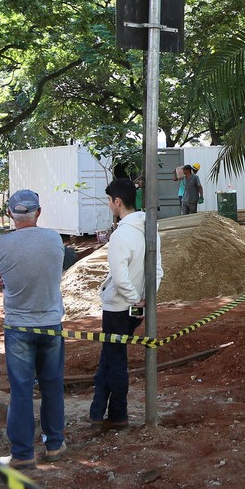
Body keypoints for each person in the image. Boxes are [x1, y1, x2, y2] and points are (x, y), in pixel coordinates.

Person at [0, 189, 68, 468]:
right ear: (39, 212)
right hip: (51, 324)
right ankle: (54, 445)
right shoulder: (55, 238)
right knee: (52, 385)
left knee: (21, 390)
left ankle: (22, 453)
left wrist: (1, 279)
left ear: (9, 213)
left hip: (18, 326)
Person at [90, 178, 162, 429]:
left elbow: (120, 278)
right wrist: (144, 301)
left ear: (117, 202)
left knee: (113, 360)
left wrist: (135, 299)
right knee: (110, 358)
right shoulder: (150, 229)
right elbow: (158, 271)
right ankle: (99, 411)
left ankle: (116, 413)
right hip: (135, 307)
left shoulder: (121, 235)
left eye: (110, 201)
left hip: (118, 307)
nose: (109, 206)